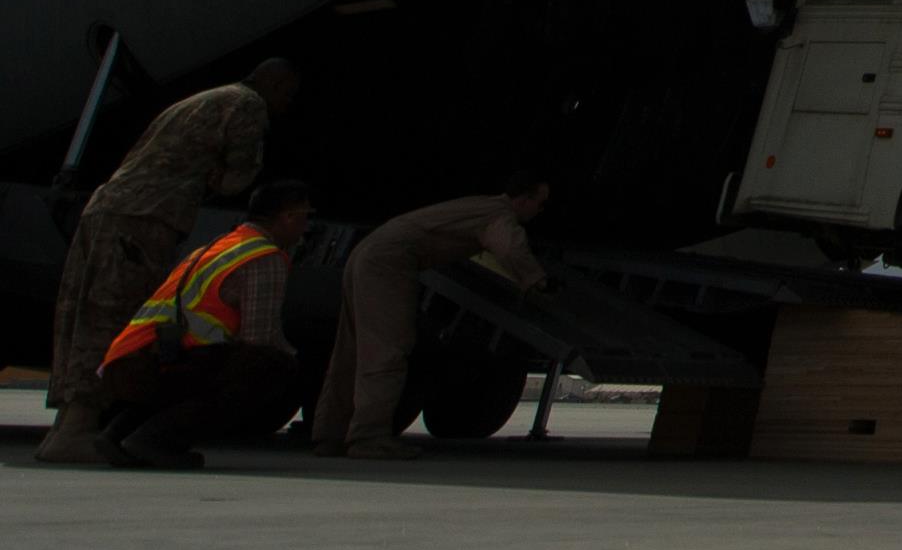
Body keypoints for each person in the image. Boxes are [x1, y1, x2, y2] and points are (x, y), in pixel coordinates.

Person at [35, 57, 301, 466]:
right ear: (277, 86)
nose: (286, 107)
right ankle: (77, 428)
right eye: (289, 96)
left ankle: (67, 427)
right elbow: (237, 178)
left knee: (82, 313)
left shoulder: (202, 100)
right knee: (114, 314)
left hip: (109, 207)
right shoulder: (248, 105)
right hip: (147, 216)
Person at [312, 172, 554, 460]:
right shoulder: (499, 216)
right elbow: (511, 248)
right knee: (387, 351)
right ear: (524, 200)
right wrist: (537, 281)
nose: (540, 211)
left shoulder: (480, 204)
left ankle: (331, 435)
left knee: (350, 351)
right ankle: (369, 437)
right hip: (390, 263)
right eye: (540, 204)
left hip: (366, 253)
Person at [90, 179, 315, 470]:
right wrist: (303, 365)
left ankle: (118, 434)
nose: (306, 227)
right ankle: (158, 440)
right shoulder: (264, 257)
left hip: (128, 359)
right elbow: (259, 337)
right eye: (305, 217)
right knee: (271, 366)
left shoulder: (217, 246)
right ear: (288, 217)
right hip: (156, 366)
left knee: (205, 365)